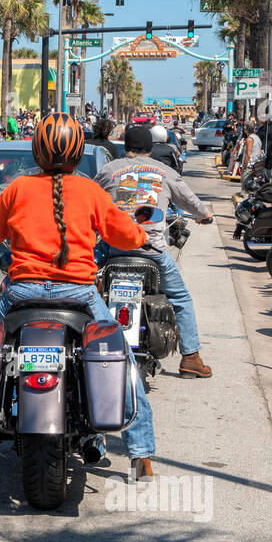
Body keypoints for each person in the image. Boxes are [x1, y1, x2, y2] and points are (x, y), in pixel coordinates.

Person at [0, 113, 157, 480]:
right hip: (80, 296)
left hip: (22, 294)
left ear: (37, 149)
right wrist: (140, 236)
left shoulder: (18, 189)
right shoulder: (91, 192)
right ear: (78, 152)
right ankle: (142, 453)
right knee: (124, 363)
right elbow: (124, 235)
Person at [96, 123, 215, 378]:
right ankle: (191, 357)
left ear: (124, 147)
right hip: (152, 251)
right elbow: (190, 201)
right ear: (150, 148)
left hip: (116, 248)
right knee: (181, 298)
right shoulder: (165, 171)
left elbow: (91, 201)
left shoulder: (108, 170)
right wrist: (204, 215)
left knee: (90, 289)